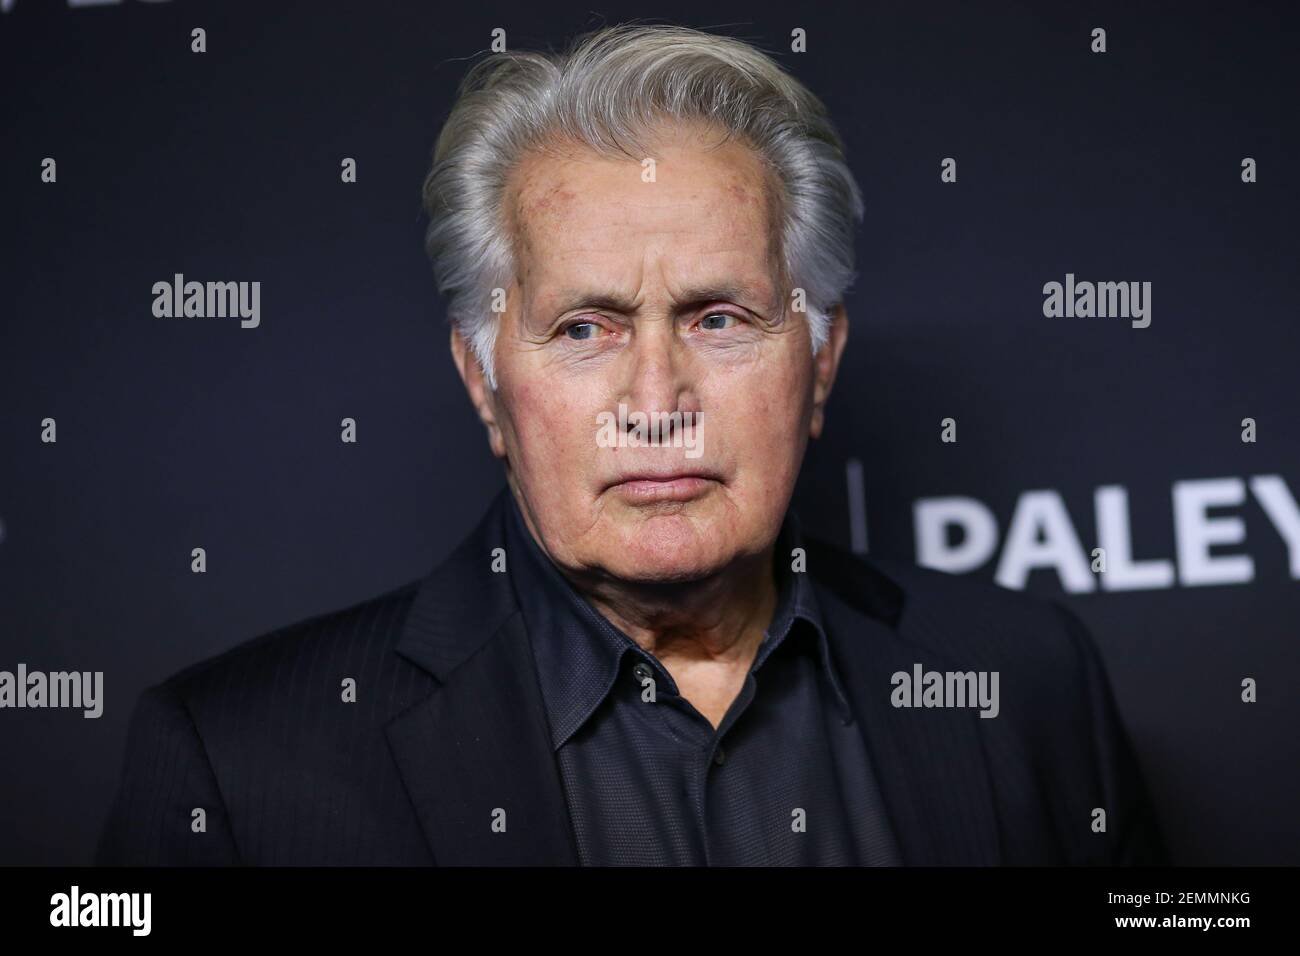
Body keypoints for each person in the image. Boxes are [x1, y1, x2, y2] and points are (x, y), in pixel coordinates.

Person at [96, 23, 1165, 866]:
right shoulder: (239, 762)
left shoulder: (1026, 679)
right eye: (582, 327)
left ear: (821, 361)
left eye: (719, 318)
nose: (655, 400)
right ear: (484, 382)